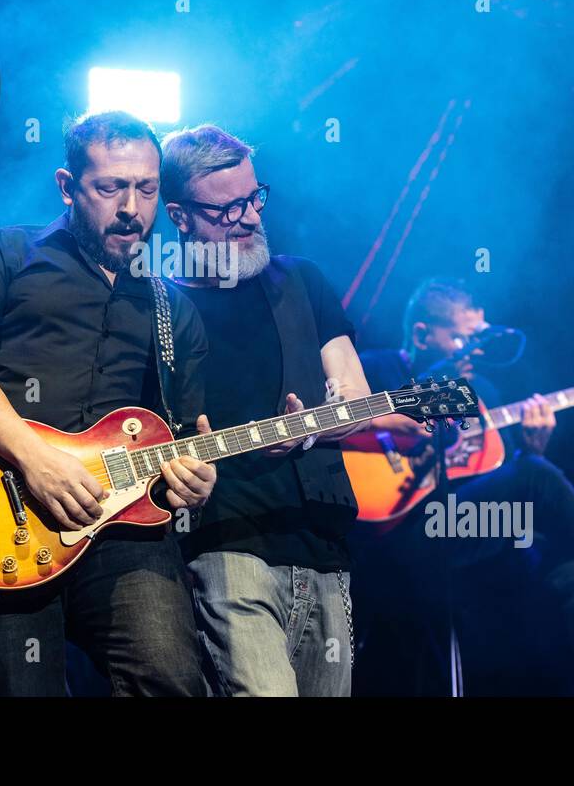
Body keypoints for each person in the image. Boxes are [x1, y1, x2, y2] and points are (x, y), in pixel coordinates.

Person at [0, 110, 216, 696]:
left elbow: (182, 436)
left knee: (171, 680)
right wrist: (35, 458)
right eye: (111, 188)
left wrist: (194, 479)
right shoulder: (3, 254)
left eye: (147, 188)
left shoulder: (172, 309)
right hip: (7, 513)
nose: (132, 206)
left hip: (127, 531)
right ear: (67, 186)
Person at [355, 278, 574, 696]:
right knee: (535, 476)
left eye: (481, 337)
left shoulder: (482, 393)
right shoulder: (374, 369)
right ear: (422, 334)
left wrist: (533, 448)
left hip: (472, 526)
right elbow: (341, 424)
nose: (479, 349)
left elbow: (503, 479)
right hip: (406, 531)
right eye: (464, 338)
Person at [158, 124, 409, 696]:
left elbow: (354, 396)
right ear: (179, 215)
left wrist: (318, 422)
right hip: (226, 544)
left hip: (321, 540)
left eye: (255, 198)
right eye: (228, 209)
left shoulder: (302, 280)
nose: (249, 217)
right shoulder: (159, 306)